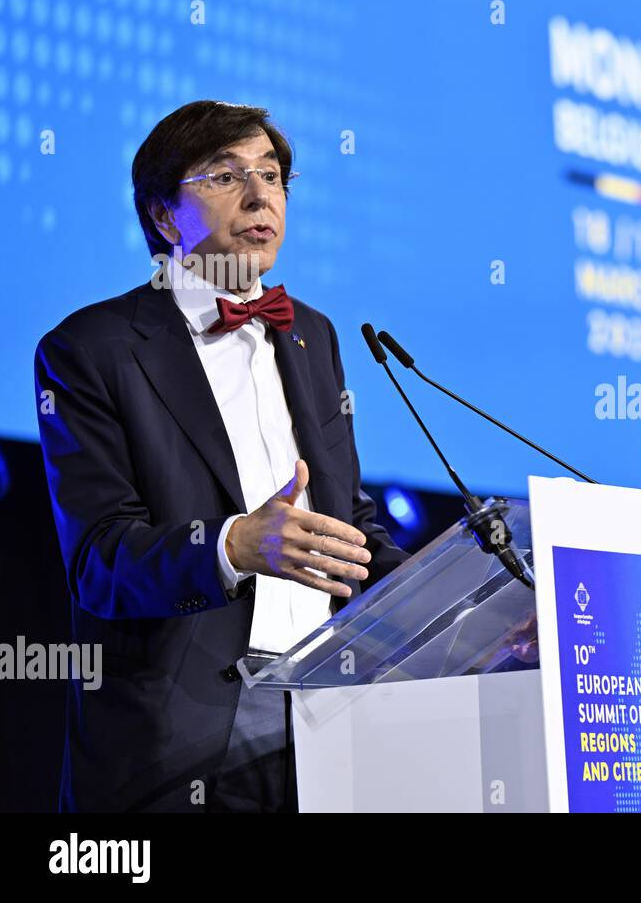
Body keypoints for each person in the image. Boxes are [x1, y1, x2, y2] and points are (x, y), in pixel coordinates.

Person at [34, 101, 408, 812]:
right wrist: (234, 545)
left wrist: (443, 590)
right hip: (185, 742)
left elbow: (344, 520)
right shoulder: (91, 350)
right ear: (165, 217)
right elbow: (100, 561)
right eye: (225, 175)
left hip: (329, 724)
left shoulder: (314, 337)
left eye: (272, 175)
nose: (261, 194)